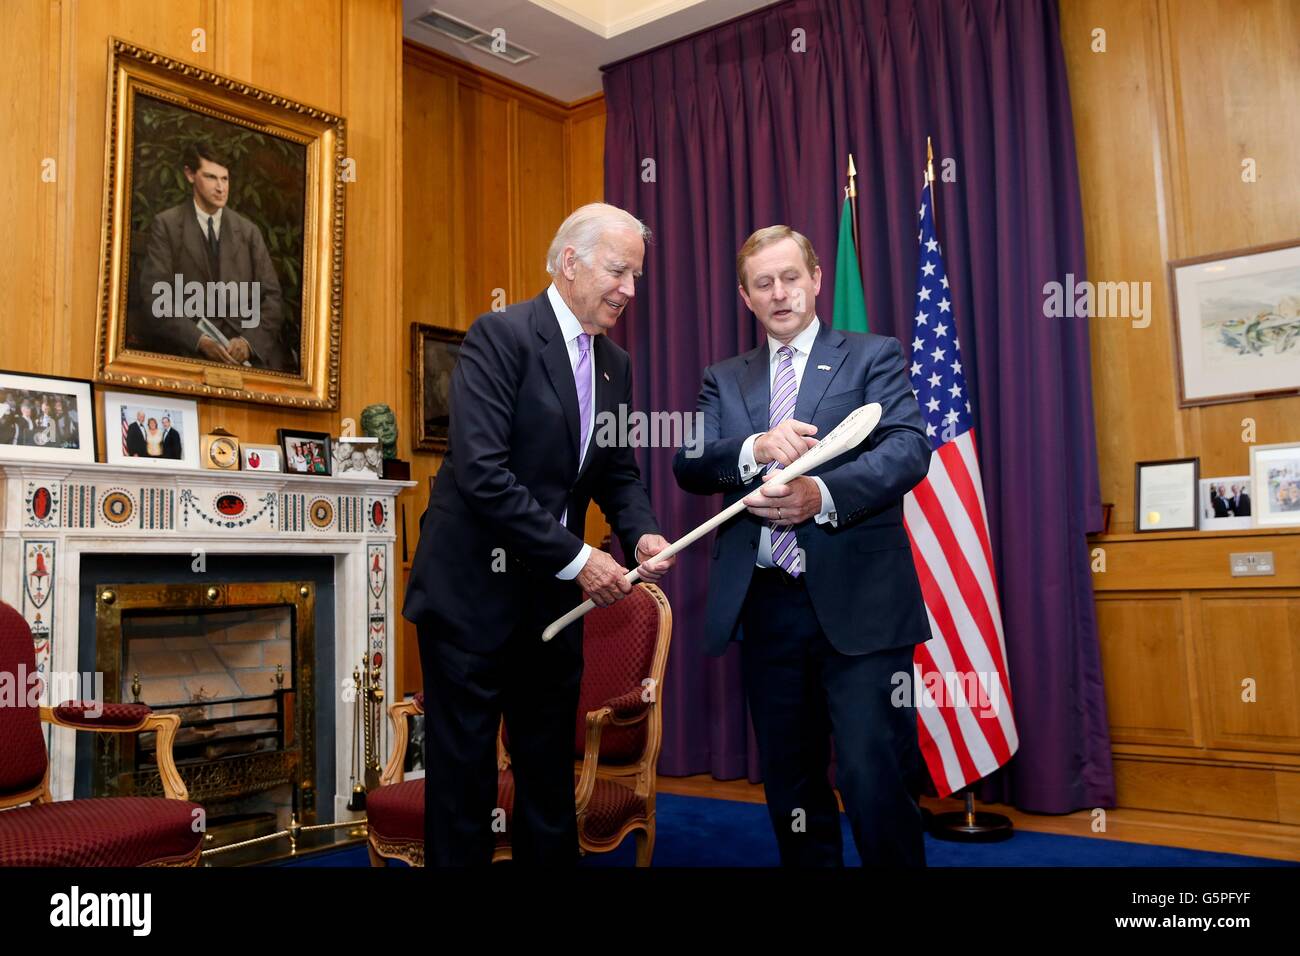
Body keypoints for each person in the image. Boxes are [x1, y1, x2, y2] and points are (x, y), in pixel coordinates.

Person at [403, 203, 676, 865]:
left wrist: (639, 534)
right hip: (470, 597)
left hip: (553, 605)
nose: (629, 291)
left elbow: (616, 469)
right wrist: (579, 556)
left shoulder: (616, 363)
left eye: (636, 276)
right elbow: (481, 473)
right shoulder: (501, 336)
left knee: (549, 785)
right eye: (619, 271)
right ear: (569, 263)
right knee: (464, 790)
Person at [673, 225, 932, 867]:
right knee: (792, 784)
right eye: (764, 283)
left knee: (875, 779)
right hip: (766, 608)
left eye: (791, 277)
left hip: (863, 607)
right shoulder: (724, 378)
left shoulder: (873, 355)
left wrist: (822, 493)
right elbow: (691, 462)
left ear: (817, 278)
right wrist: (754, 449)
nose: (780, 293)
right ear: (745, 296)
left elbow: (908, 449)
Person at [136, 142, 288, 371]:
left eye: (225, 179)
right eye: (210, 177)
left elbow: (272, 299)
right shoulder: (167, 225)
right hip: (187, 352)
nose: (220, 188)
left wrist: (248, 343)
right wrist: (199, 340)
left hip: (245, 359)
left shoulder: (248, 232)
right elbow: (155, 296)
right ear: (190, 175)